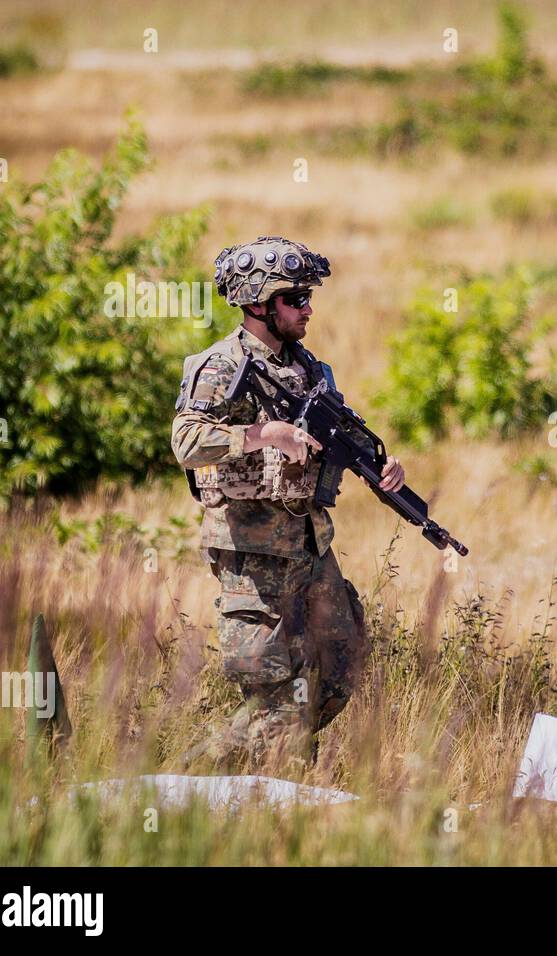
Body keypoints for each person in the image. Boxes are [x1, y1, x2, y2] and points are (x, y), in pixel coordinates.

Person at [170, 236, 404, 772]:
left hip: (310, 545)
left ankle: (217, 768)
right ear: (258, 304)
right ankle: (216, 785)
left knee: (340, 669)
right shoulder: (221, 365)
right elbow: (185, 441)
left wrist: (384, 465)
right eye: (295, 298)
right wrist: (262, 434)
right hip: (254, 554)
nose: (307, 308)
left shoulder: (308, 369)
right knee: (278, 695)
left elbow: (349, 436)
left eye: (307, 297)